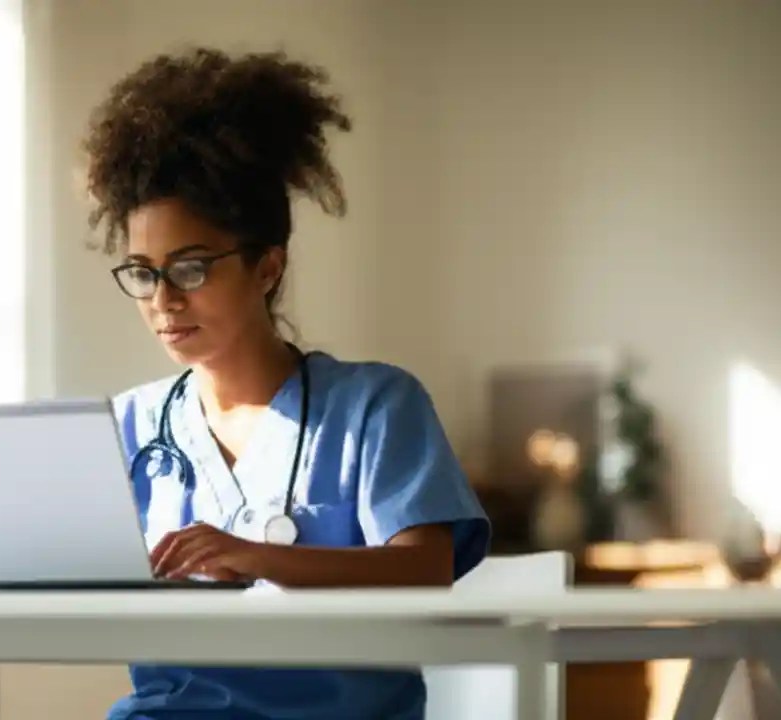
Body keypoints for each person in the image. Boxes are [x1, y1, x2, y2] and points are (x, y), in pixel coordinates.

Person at [81, 47, 492, 720]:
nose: (162, 299)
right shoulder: (128, 426)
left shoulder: (375, 407)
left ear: (267, 267)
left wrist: (257, 558)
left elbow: (425, 570)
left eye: (189, 268)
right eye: (142, 272)